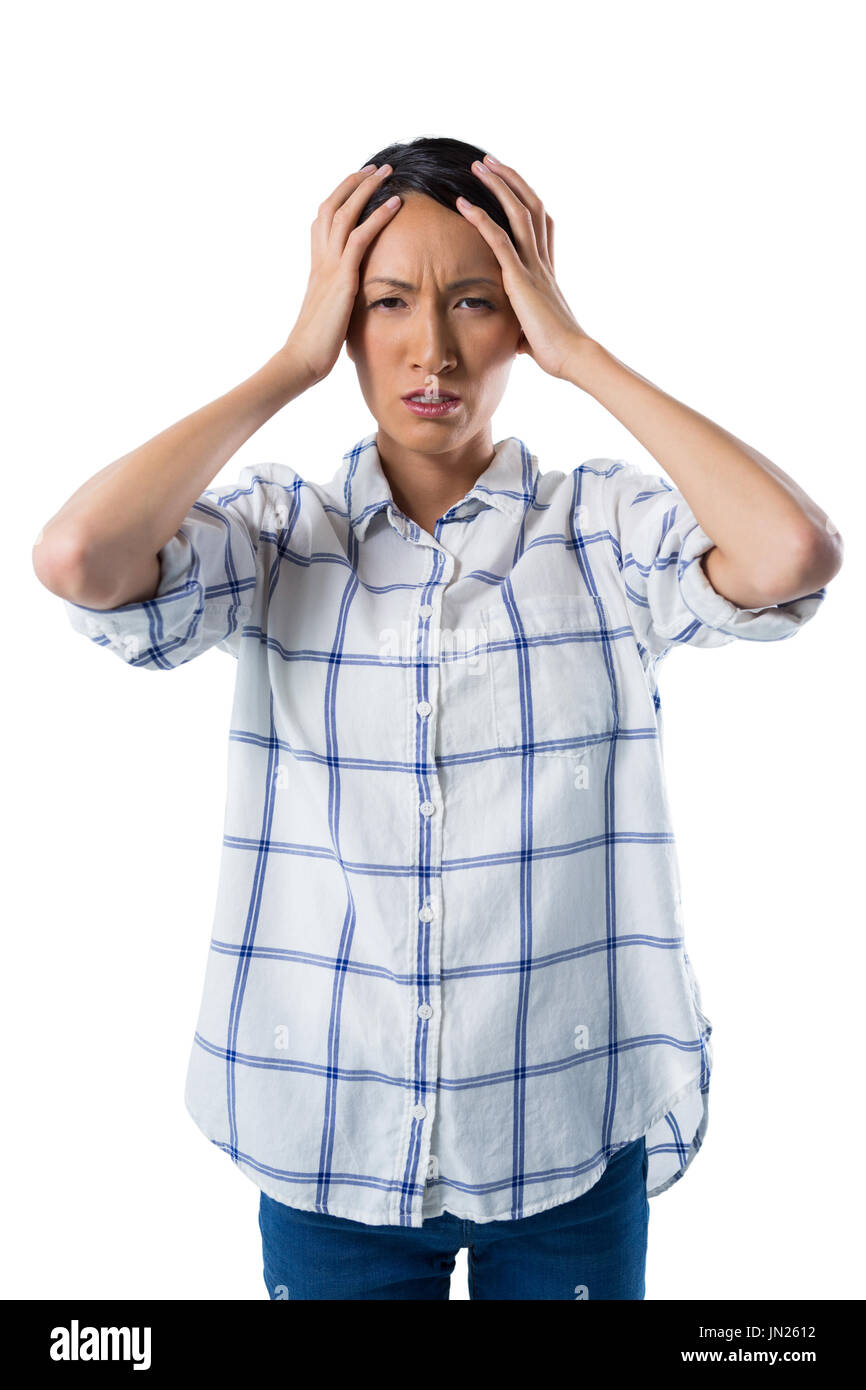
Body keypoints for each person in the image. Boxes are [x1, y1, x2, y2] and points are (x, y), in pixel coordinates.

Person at [32, 135, 842, 1300]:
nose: (434, 348)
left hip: (564, 1127)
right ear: (342, 322)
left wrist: (581, 352)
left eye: (476, 301)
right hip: (330, 1136)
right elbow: (78, 558)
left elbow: (789, 553)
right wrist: (286, 363)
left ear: (519, 319)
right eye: (386, 304)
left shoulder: (598, 531)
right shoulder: (275, 538)